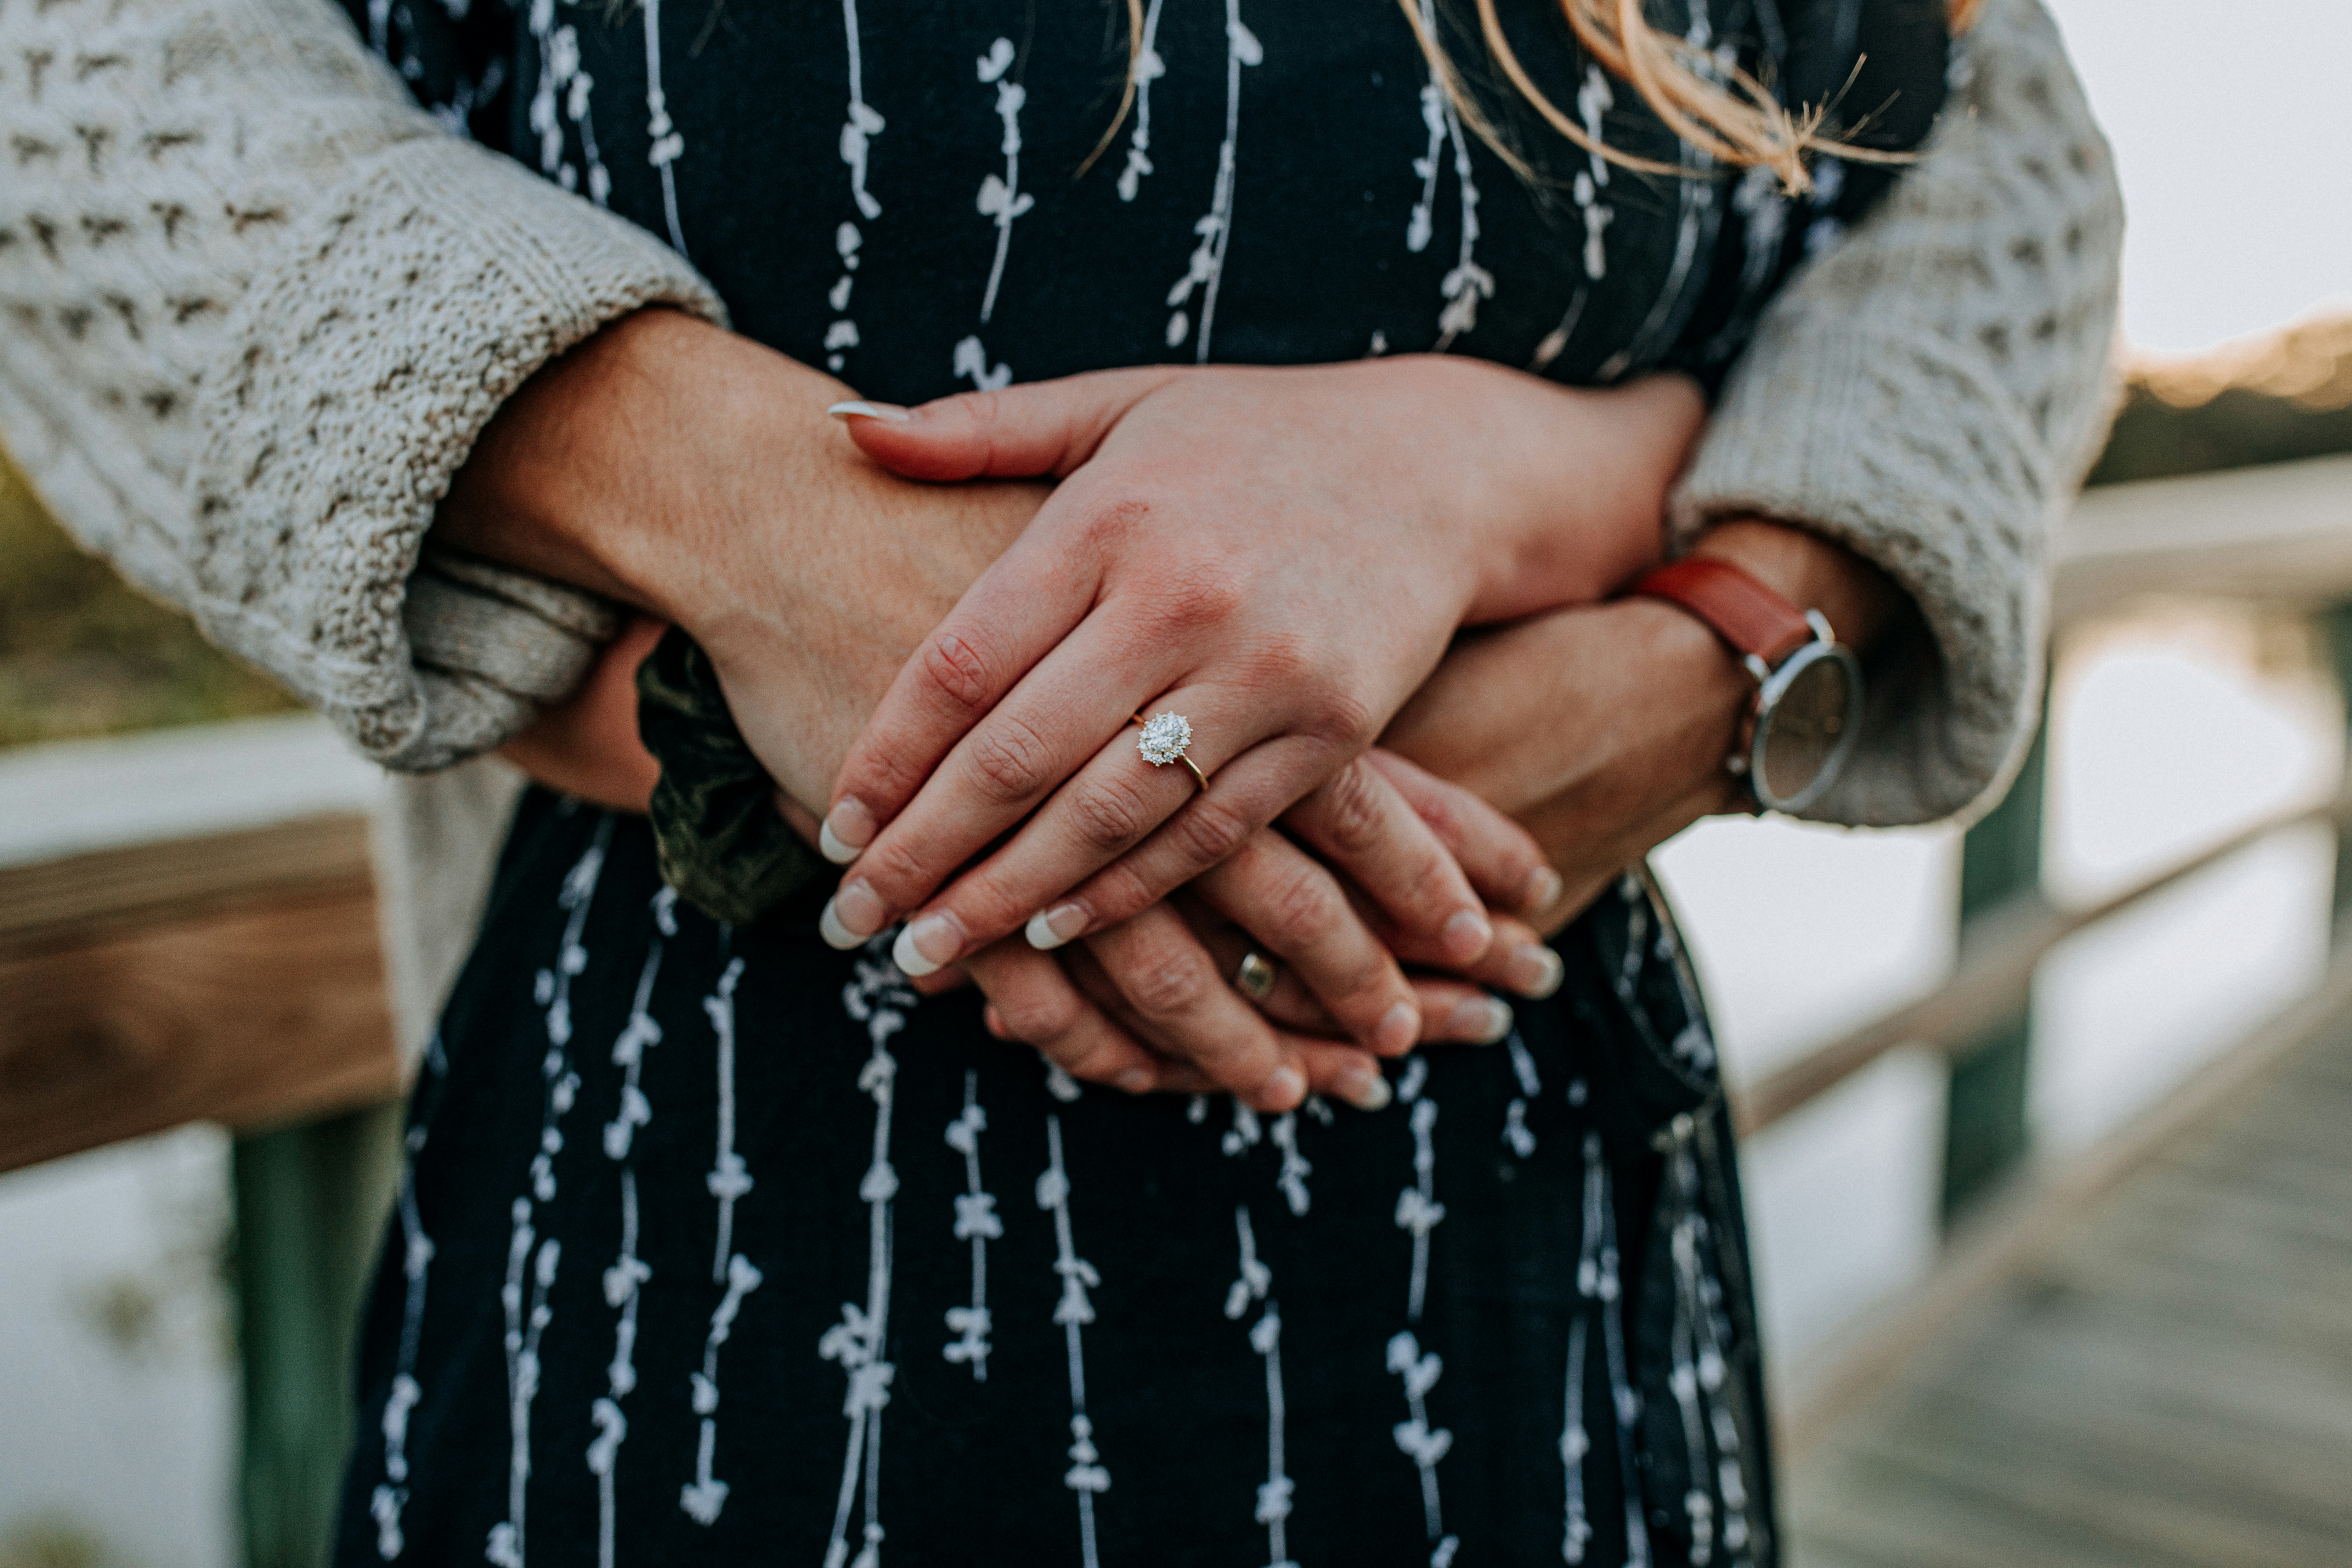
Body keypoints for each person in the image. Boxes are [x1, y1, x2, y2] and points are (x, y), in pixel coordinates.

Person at [0, 0, 2121, 1563]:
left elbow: (1985, 205)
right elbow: (83, 96)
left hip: (1495, 1229)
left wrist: (1652, 600)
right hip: (681, 1252)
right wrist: (749, 516)